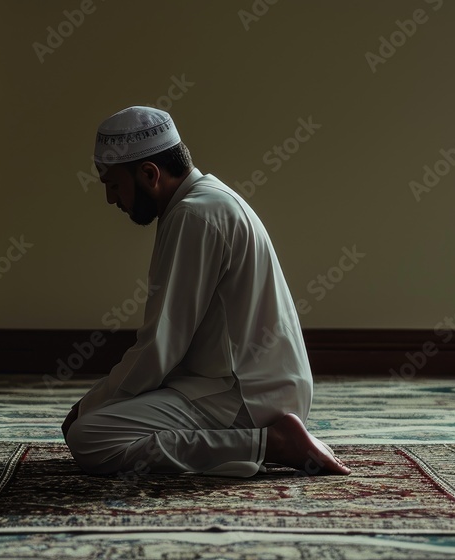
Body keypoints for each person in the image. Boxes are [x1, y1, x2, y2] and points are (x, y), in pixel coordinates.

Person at [62, 106, 349, 478]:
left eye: (113, 185)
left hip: (241, 396)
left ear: (149, 174)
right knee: (103, 418)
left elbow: (160, 346)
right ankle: (258, 442)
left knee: (90, 436)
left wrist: (91, 403)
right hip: (243, 387)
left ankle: (268, 443)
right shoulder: (205, 202)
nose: (111, 200)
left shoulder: (194, 216)